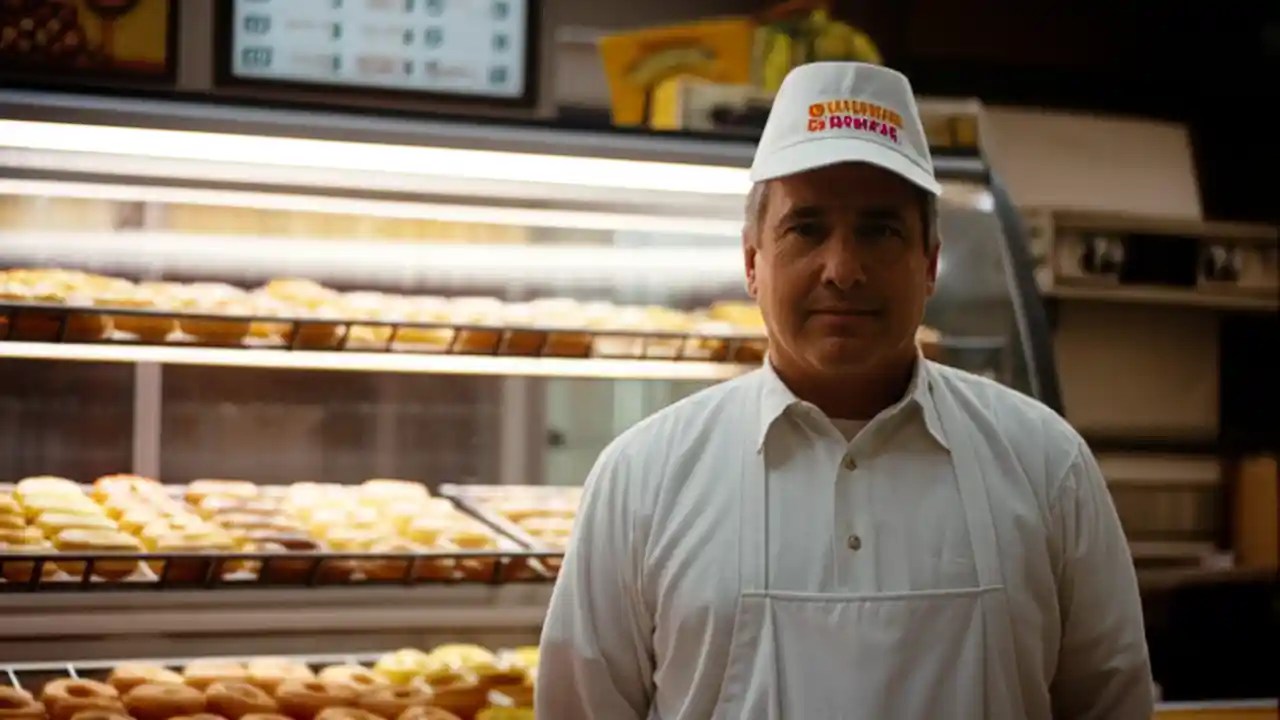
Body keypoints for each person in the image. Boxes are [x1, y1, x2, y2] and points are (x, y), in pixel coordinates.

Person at [536, 62, 1153, 720]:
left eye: (880, 230)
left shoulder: (1046, 465)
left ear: (930, 264)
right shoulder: (643, 479)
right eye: (806, 229)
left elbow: (1110, 704)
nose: (843, 269)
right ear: (751, 263)